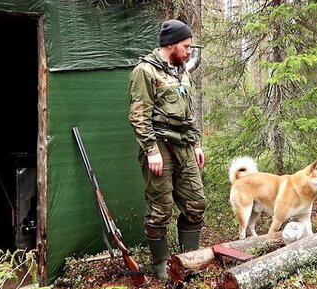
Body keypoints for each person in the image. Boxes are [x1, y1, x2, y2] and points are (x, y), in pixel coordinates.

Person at [128, 19, 208, 281]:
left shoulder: (180, 70)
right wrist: (151, 150)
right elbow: (139, 116)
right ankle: (162, 264)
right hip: (159, 146)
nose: (189, 51)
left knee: (196, 203)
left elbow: (188, 113)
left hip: (184, 145)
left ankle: (187, 261)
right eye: (185, 46)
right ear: (171, 44)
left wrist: (196, 143)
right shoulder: (145, 72)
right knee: (160, 210)